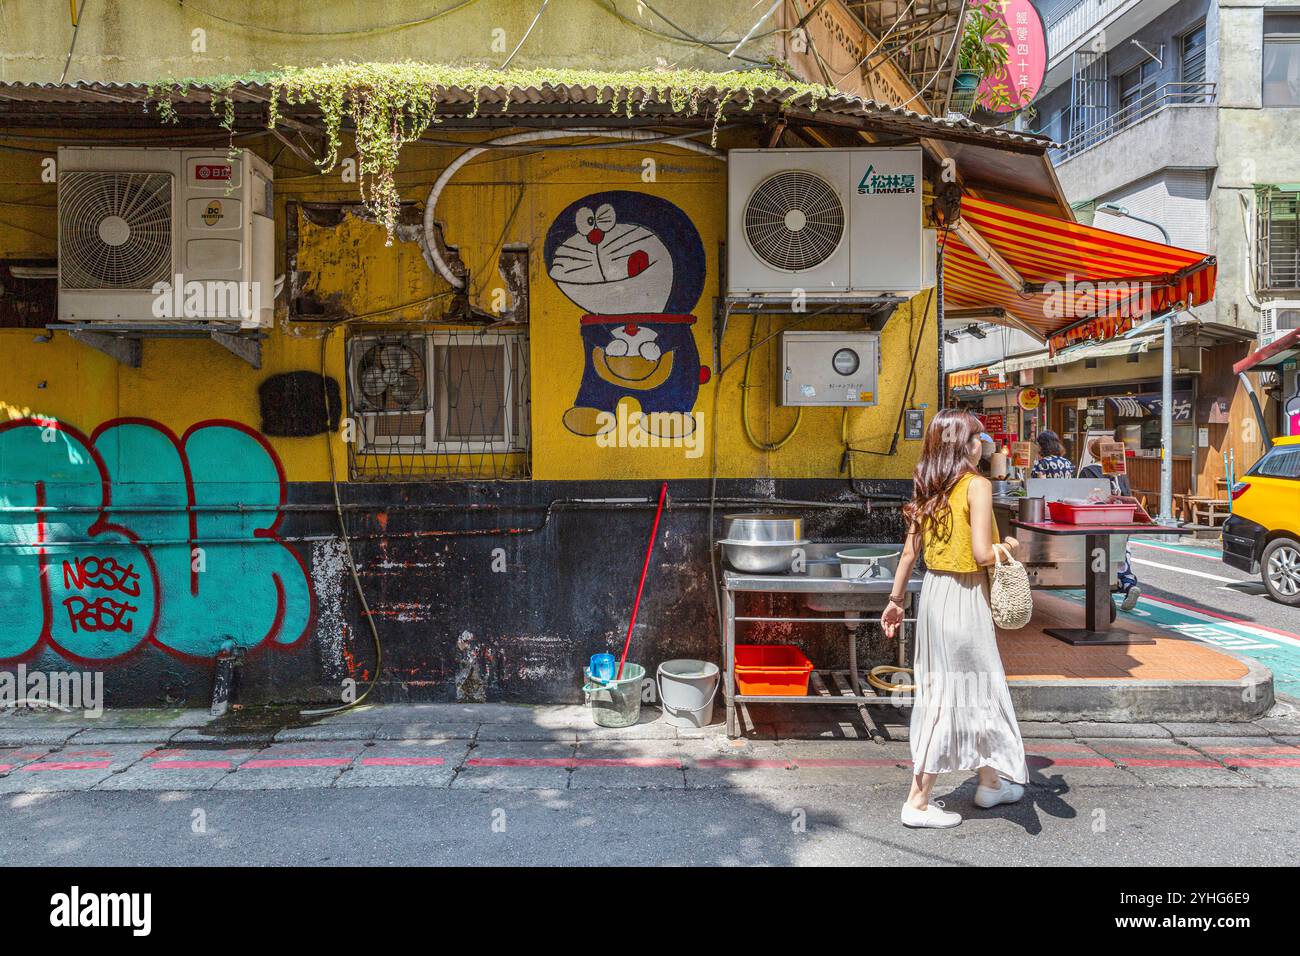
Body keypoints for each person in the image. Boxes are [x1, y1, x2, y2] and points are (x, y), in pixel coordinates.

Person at [882, 408, 1029, 829]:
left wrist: (895, 600)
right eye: (978, 437)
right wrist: (1011, 548)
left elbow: (910, 553)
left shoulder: (930, 484)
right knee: (959, 690)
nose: (983, 444)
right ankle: (918, 800)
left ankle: (989, 783)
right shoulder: (976, 485)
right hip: (965, 597)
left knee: (966, 687)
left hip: (934, 595)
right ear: (965, 445)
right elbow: (984, 554)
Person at [1080, 435, 1142, 610]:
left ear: (1095, 454)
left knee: (1098, 558)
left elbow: (1083, 497)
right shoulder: (1120, 474)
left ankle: (1104, 594)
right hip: (1122, 522)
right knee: (1121, 557)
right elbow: (1128, 497)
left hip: (1097, 521)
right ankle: (1129, 585)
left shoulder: (1089, 471)